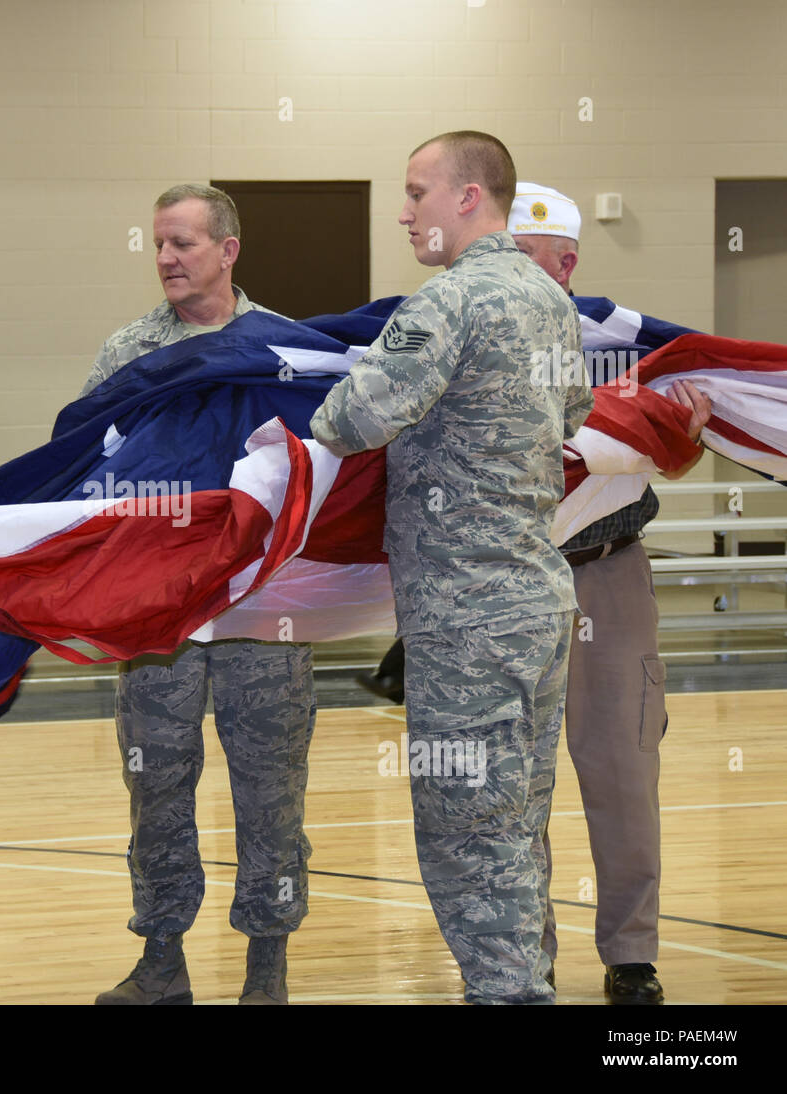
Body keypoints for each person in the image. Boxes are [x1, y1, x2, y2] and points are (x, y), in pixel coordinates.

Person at [310, 132, 593, 1004]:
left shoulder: (449, 302)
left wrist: (345, 379)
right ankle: (526, 981)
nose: (404, 211)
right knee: (516, 827)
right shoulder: (549, 299)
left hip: (467, 623)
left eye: (416, 191)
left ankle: (510, 994)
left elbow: (351, 419)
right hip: (538, 605)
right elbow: (576, 408)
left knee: (466, 836)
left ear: (471, 198)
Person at [85, 184, 316, 1005]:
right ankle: (161, 961)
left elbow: (330, 476)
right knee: (155, 789)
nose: (166, 259)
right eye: (158, 244)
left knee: (271, 795)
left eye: (182, 243)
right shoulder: (129, 354)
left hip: (265, 616)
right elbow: (86, 474)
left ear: (229, 249)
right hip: (163, 621)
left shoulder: (287, 352)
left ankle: (267, 970)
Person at [509, 183, 711, 1005]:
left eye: (532, 258)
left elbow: (666, 449)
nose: (514, 272)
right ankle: (523, 951)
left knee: (623, 768)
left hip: (610, 573)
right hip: (514, 583)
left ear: (569, 261)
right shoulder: (471, 337)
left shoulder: (617, 344)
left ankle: (632, 956)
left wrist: (683, 439)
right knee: (512, 780)